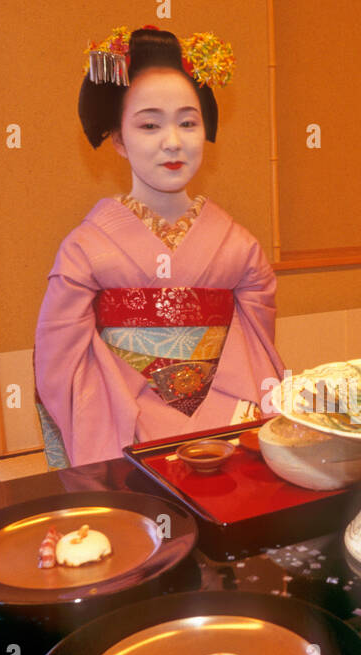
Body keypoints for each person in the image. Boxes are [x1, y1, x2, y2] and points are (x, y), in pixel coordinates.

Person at [34, 26, 284, 468]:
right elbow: (62, 364)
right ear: (117, 140)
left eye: (188, 122)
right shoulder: (85, 249)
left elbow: (259, 347)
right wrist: (118, 410)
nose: (173, 141)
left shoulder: (240, 248)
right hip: (123, 420)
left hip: (230, 414)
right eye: (149, 124)